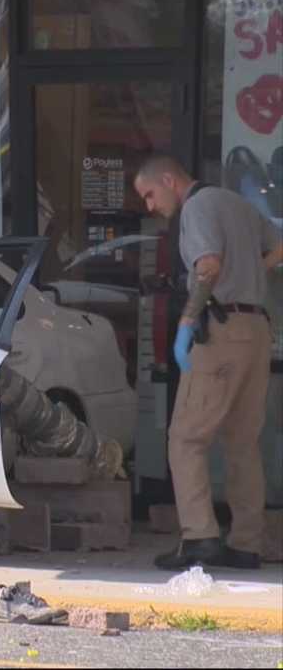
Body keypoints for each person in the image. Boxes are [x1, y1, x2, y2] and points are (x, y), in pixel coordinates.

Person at [133, 154, 280, 571]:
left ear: (167, 179)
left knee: (185, 438)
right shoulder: (236, 203)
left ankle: (199, 537)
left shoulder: (197, 206)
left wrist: (187, 318)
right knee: (242, 442)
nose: (149, 205)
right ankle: (247, 543)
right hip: (256, 330)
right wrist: (250, 274)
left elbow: (208, 266)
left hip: (221, 331)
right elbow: (279, 246)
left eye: (149, 194)